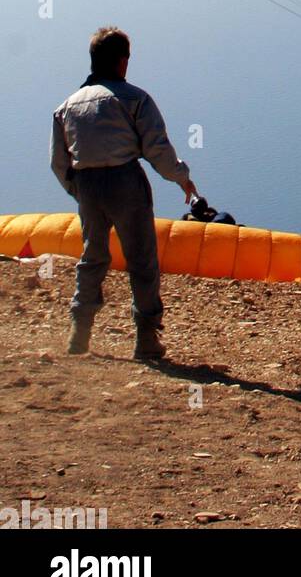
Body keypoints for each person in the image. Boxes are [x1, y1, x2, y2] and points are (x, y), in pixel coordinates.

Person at [50, 27, 198, 360]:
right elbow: (157, 149)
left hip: (87, 184)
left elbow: (59, 163)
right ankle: (146, 339)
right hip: (125, 180)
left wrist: (80, 192)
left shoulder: (66, 107)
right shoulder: (135, 98)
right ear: (122, 62)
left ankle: (80, 334)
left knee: (93, 256)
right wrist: (182, 179)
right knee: (141, 259)